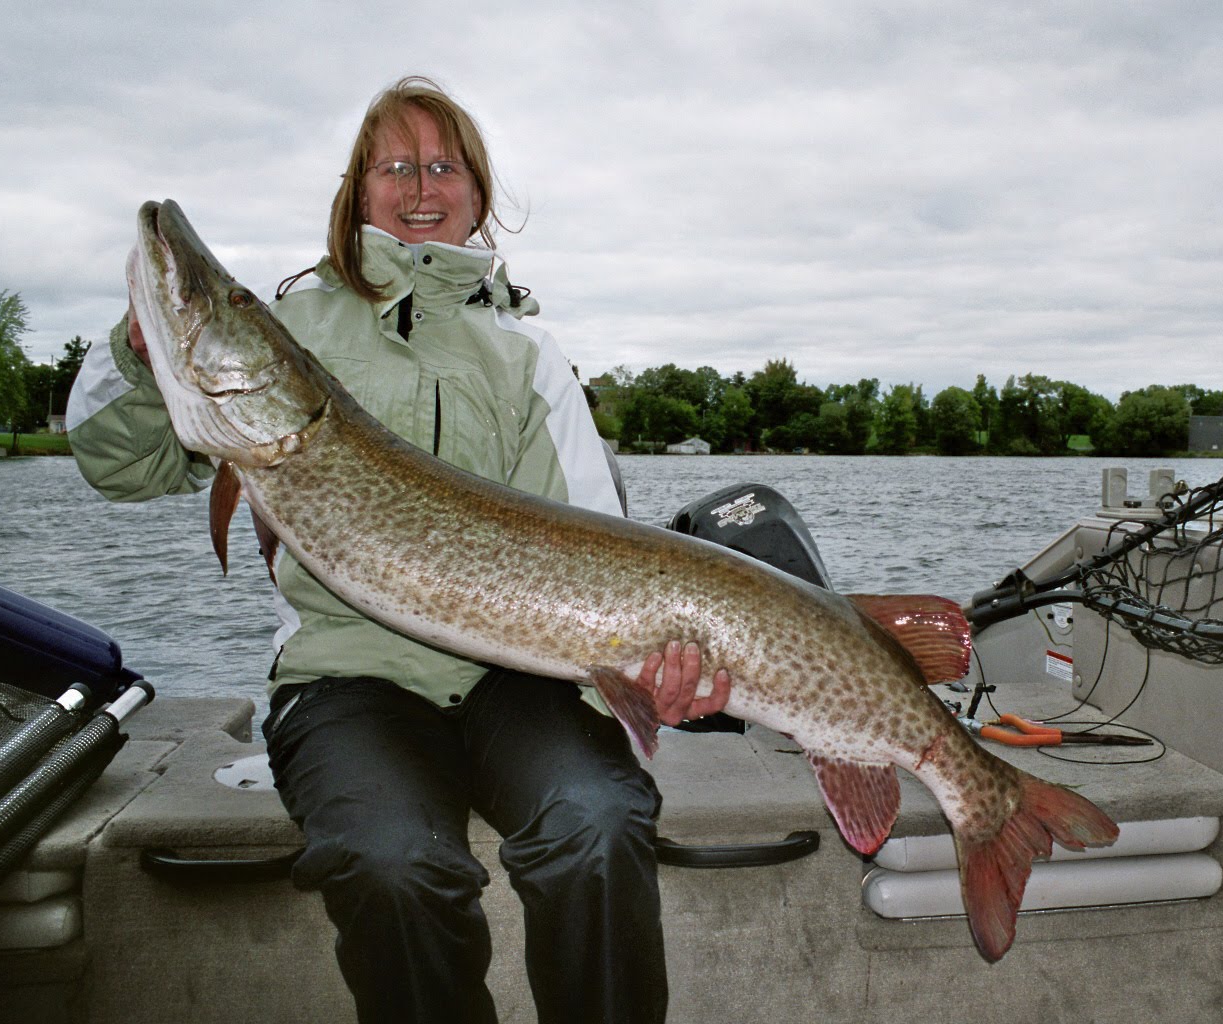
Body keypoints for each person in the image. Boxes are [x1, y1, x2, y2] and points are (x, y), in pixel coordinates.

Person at [67, 75, 730, 1024]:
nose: (421, 186)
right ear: (357, 192)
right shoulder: (290, 330)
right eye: (395, 166)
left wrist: (646, 674)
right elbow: (115, 463)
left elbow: (597, 540)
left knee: (598, 822)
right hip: (349, 680)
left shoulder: (528, 354)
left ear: (477, 192)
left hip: (518, 683)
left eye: (443, 166)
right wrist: (141, 350)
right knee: (390, 861)